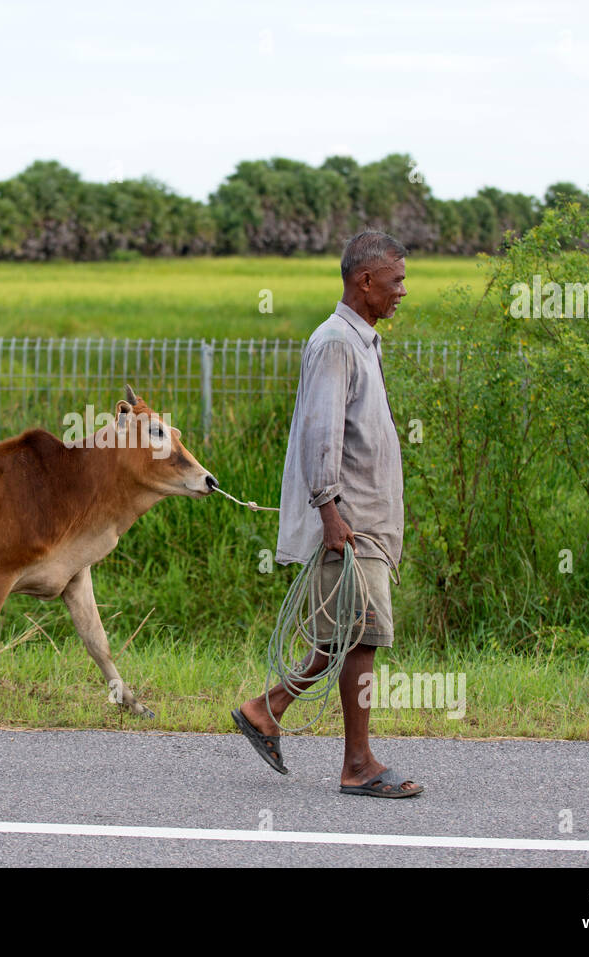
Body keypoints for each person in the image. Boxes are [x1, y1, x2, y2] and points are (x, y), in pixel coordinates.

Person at [231, 230, 423, 798]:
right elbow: (322, 433)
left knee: (346, 635)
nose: (402, 292)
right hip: (350, 522)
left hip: (364, 522)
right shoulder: (337, 342)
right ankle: (357, 765)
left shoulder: (361, 341)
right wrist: (330, 513)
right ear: (365, 281)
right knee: (359, 639)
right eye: (396, 280)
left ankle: (266, 710)